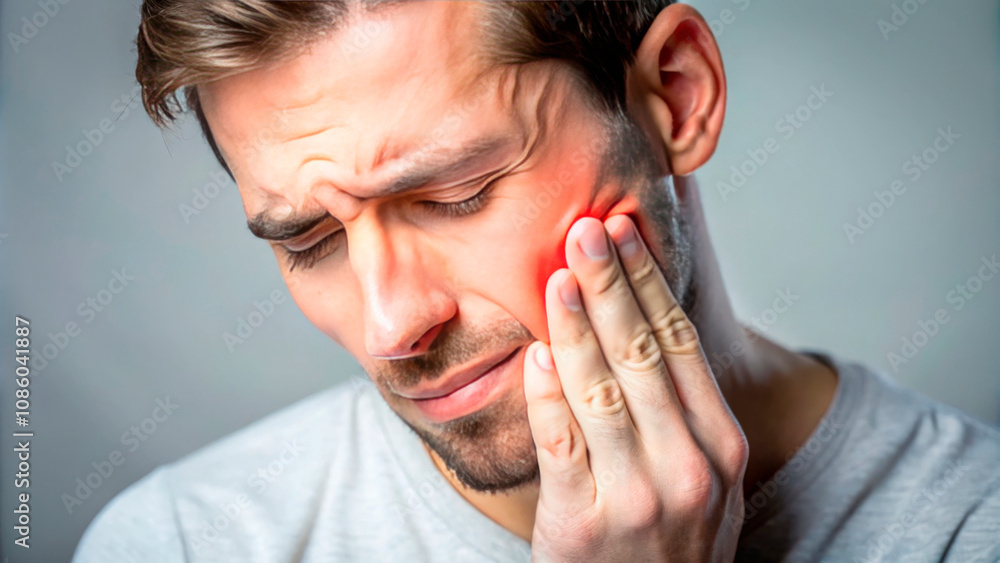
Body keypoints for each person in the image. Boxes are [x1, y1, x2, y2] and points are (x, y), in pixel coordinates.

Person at [75, 1, 1000, 561]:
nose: (394, 326)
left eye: (457, 194)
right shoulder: (185, 544)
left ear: (676, 98)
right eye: (311, 241)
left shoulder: (969, 531)